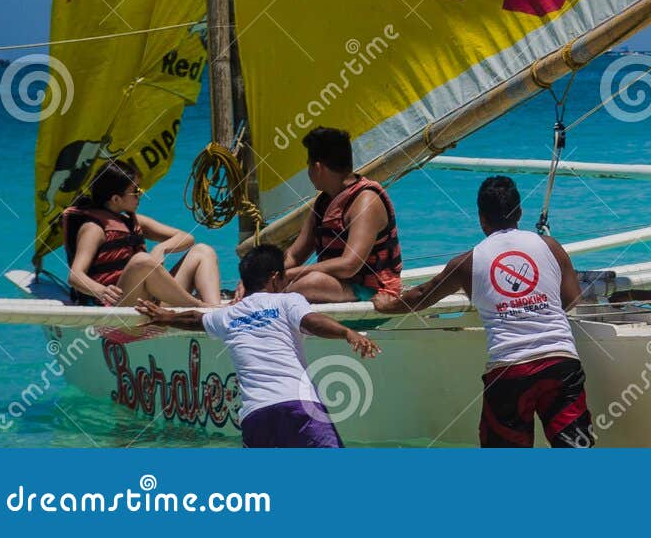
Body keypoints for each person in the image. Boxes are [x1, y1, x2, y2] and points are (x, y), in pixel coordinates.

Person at [373, 175, 593, 448]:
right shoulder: (550, 246)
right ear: (520, 212)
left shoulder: (466, 263)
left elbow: (421, 295)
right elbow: (572, 299)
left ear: (481, 217)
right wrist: (533, 302)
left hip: (509, 371)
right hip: (561, 363)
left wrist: (386, 304)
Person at [140, 244, 380, 448]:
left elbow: (195, 319)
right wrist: (347, 332)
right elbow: (311, 322)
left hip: (256, 415)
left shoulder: (230, 314)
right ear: (276, 278)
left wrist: (166, 317)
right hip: (300, 407)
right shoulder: (288, 300)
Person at [64, 163, 220, 307]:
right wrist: (101, 291)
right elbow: (75, 276)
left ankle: (216, 311)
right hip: (120, 309)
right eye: (136, 191)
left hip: (150, 301)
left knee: (203, 251)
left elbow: (187, 238)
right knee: (141, 261)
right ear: (116, 199)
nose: (141, 195)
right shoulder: (93, 229)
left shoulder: (134, 222)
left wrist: (161, 248)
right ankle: (201, 308)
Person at [281, 127, 403, 303]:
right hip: (337, 286)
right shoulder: (323, 202)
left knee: (311, 282)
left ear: (318, 167)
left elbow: (349, 265)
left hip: (375, 293)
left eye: (308, 165)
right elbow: (293, 256)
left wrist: (290, 275)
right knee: (303, 281)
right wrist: (264, 277)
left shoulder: (366, 201)